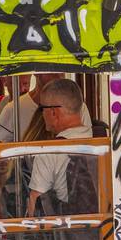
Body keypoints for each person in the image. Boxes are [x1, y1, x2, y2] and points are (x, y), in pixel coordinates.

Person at [27, 80, 96, 216]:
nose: (41, 114)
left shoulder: (50, 150)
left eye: (42, 109)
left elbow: (36, 205)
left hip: (75, 233)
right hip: (111, 232)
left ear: (53, 112)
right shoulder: (107, 142)